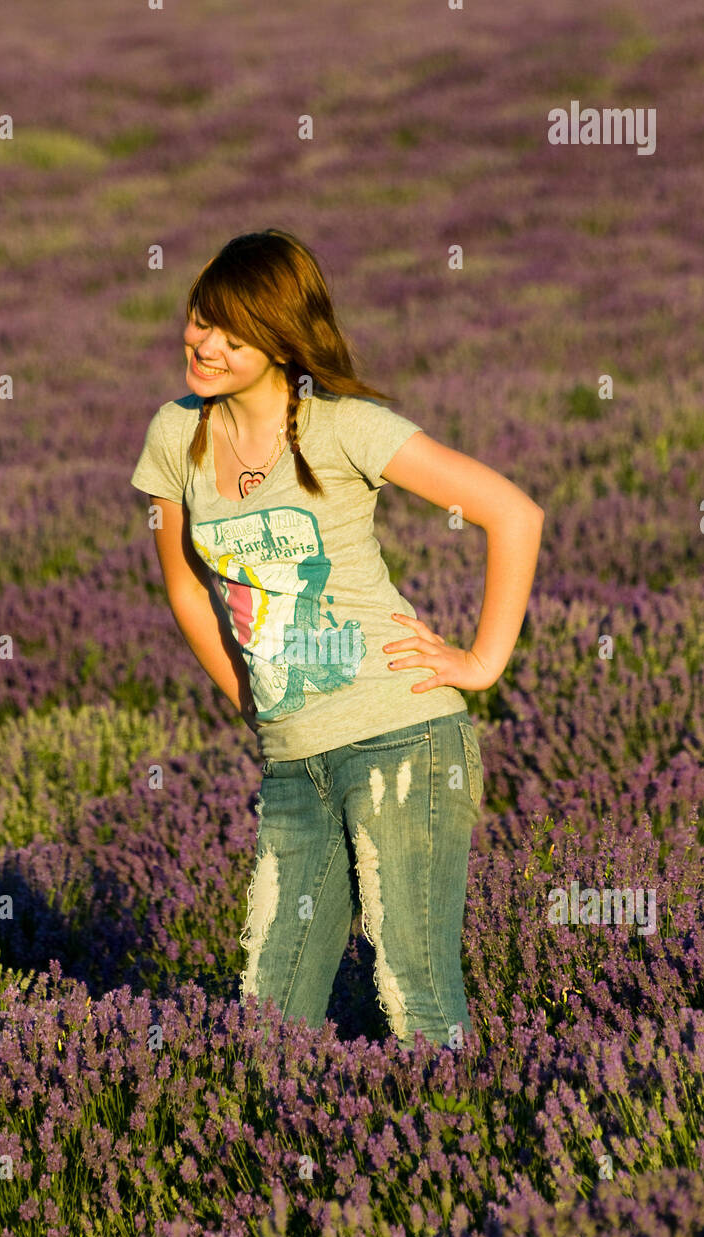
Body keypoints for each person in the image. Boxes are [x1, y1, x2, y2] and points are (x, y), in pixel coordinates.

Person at [130, 228, 544, 1049]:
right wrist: (247, 697)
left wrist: (480, 662)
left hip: (403, 739)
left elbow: (512, 512)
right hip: (292, 761)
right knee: (265, 1016)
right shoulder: (176, 435)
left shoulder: (343, 427)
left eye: (231, 333)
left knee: (414, 994)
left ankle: (462, 1150)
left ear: (280, 342)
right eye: (199, 319)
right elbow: (182, 583)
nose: (203, 344)